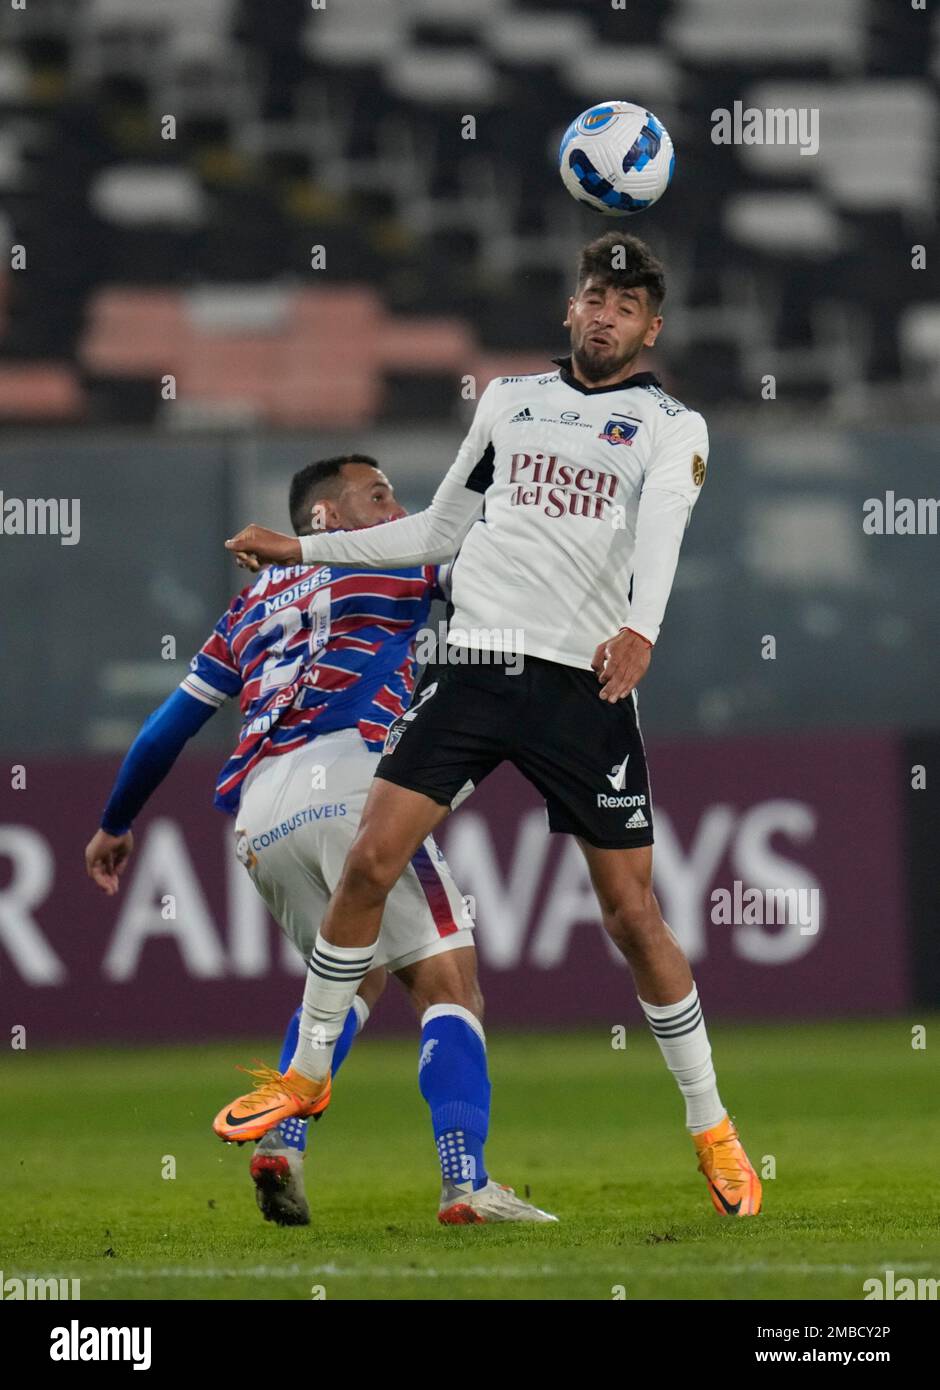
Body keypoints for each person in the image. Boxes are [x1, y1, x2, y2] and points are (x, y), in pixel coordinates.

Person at [221, 232, 762, 1218]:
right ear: (571, 308)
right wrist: (302, 545)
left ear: (651, 326)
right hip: (474, 665)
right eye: (593, 292)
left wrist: (640, 627)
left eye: (627, 302)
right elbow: (434, 533)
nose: (605, 311)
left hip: (582, 687)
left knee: (631, 919)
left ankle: (712, 1125)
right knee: (370, 863)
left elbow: (661, 532)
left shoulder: (669, 424)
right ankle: (303, 1077)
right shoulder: (509, 401)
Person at [85, 455, 555, 1227]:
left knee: (350, 983)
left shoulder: (245, 610)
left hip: (259, 817)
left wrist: (115, 821)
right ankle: (464, 1181)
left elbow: (169, 726)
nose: (399, 507)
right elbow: (494, 572)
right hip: (354, 779)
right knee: (449, 983)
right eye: (379, 495)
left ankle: (285, 1143)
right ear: (325, 519)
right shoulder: (399, 565)